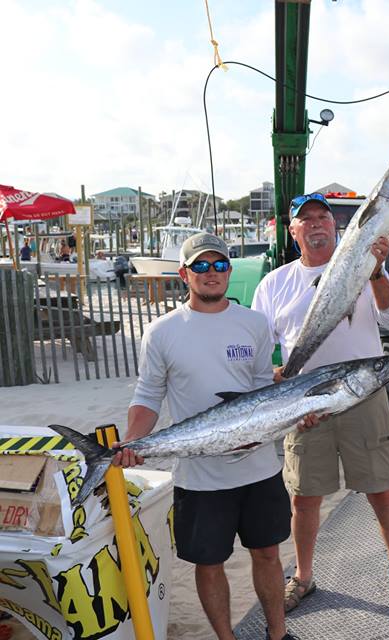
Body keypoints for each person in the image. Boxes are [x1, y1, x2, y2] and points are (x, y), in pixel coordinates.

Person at [251, 193, 389, 630]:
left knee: (382, 493)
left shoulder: (361, 267)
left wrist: (377, 272)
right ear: (293, 231)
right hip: (304, 403)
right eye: (305, 219)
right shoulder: (274, 283)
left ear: (335, 226)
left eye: (322, 217)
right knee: (304, 497)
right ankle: (303, 576)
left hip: (362, 398)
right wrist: (276, 378)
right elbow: (257, 348)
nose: (316, 224)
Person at [112, 232, 296, 640]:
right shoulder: (162, 331)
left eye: (219, 264)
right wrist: (132, 441)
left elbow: (262, 388)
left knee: (268, 554)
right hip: (199, 478)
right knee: (209, 564)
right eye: (200, 265)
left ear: (229, 270)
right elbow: (148, 396)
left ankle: (278, 634)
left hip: (259, 470)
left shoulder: (254, 323)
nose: (211, 273)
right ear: (184, 274)